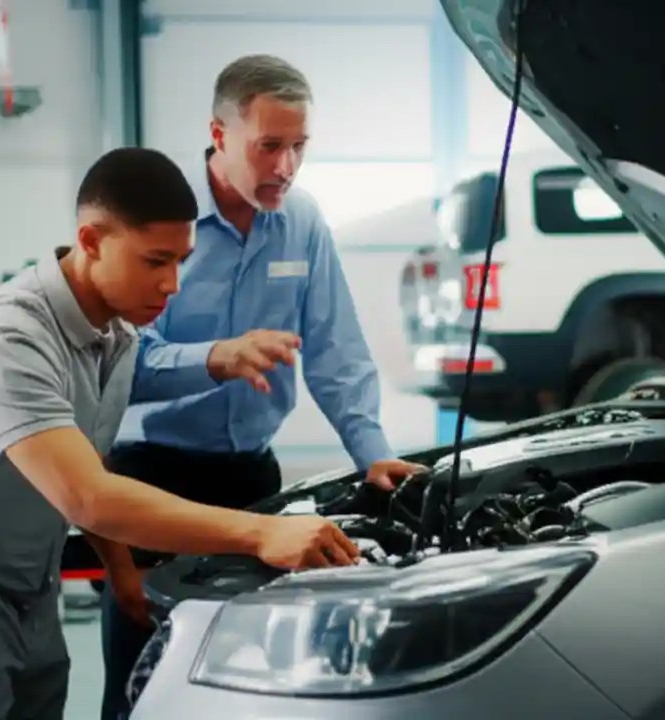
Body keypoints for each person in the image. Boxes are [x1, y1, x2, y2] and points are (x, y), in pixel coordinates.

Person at [0, 146, 361, 720]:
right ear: (93, 240)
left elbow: (86, 460)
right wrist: (261, 532)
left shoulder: (115, 336)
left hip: (29, 583)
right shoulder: (8, 342)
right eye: (155, 261)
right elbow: (87, 497)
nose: (172, 284)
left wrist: (123, 572)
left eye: (181, 261)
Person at [93, 54, 426, 719]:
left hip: (254, 483)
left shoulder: (302, 221)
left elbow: (337, 350)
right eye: (268, 146)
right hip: (151, 479)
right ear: (218, 135)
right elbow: (116, 367)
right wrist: (214, 357)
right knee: (142, 683)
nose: (286, 167)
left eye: (300, 147)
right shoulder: (155, 220)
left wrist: (373, 452)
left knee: (251, 684)